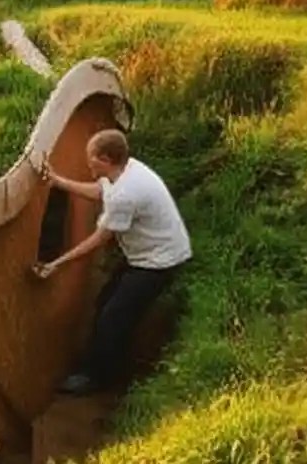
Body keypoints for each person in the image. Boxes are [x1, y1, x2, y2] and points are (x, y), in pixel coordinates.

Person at [33, 128, 191, 396]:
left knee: (113, 317)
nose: (88, 162)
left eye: (91, 158)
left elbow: (98, 239)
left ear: (105, 159)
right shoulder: (127, 169)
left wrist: (57, 263)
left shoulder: (125, 194)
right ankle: (109, 364)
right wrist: (58, 181)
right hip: (149, 254)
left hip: (158, 263)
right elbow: (99, 191)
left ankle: (97, 378)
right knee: (106, 302)